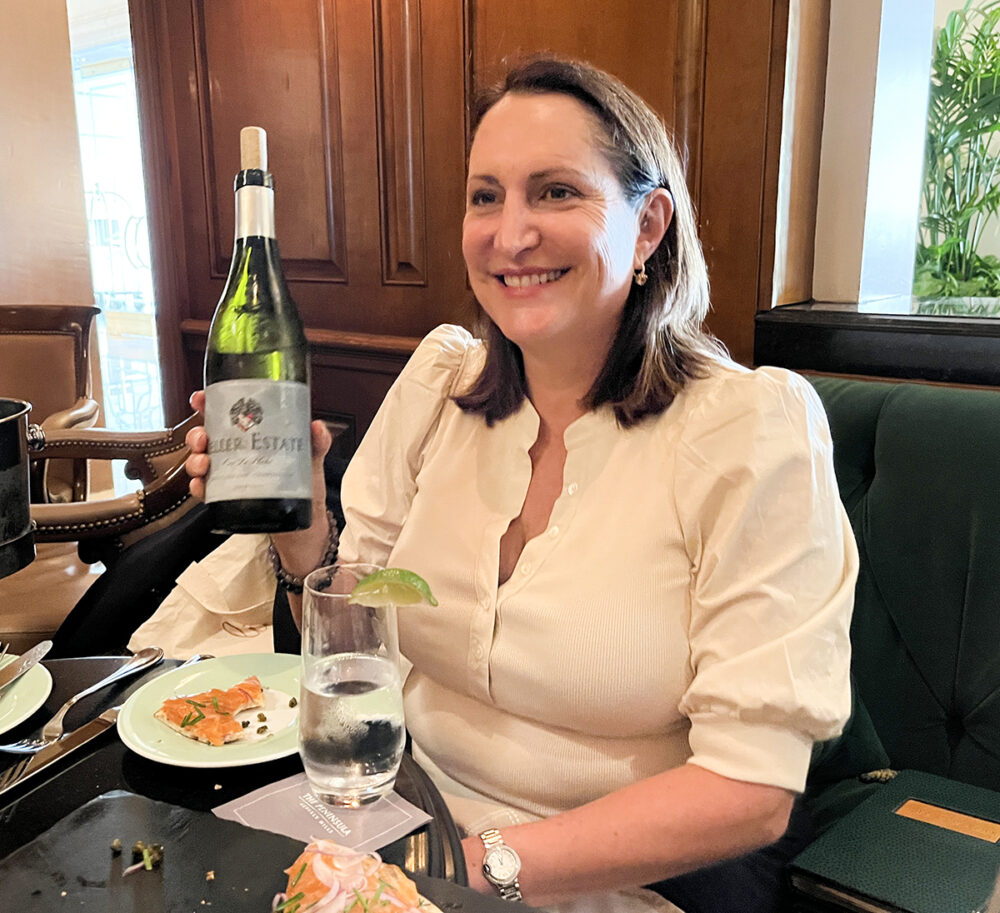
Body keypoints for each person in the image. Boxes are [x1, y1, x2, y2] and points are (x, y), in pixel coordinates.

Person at [186, 56, 857, 913]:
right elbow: (354, 634)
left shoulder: (750, 431)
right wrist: (302, 526)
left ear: (648, 226)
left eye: (556, 192)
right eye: (485, 196)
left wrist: (460, 867)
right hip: (397, 818)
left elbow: (750, 790)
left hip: (612, 877)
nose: (510, 235)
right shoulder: (439, 386)